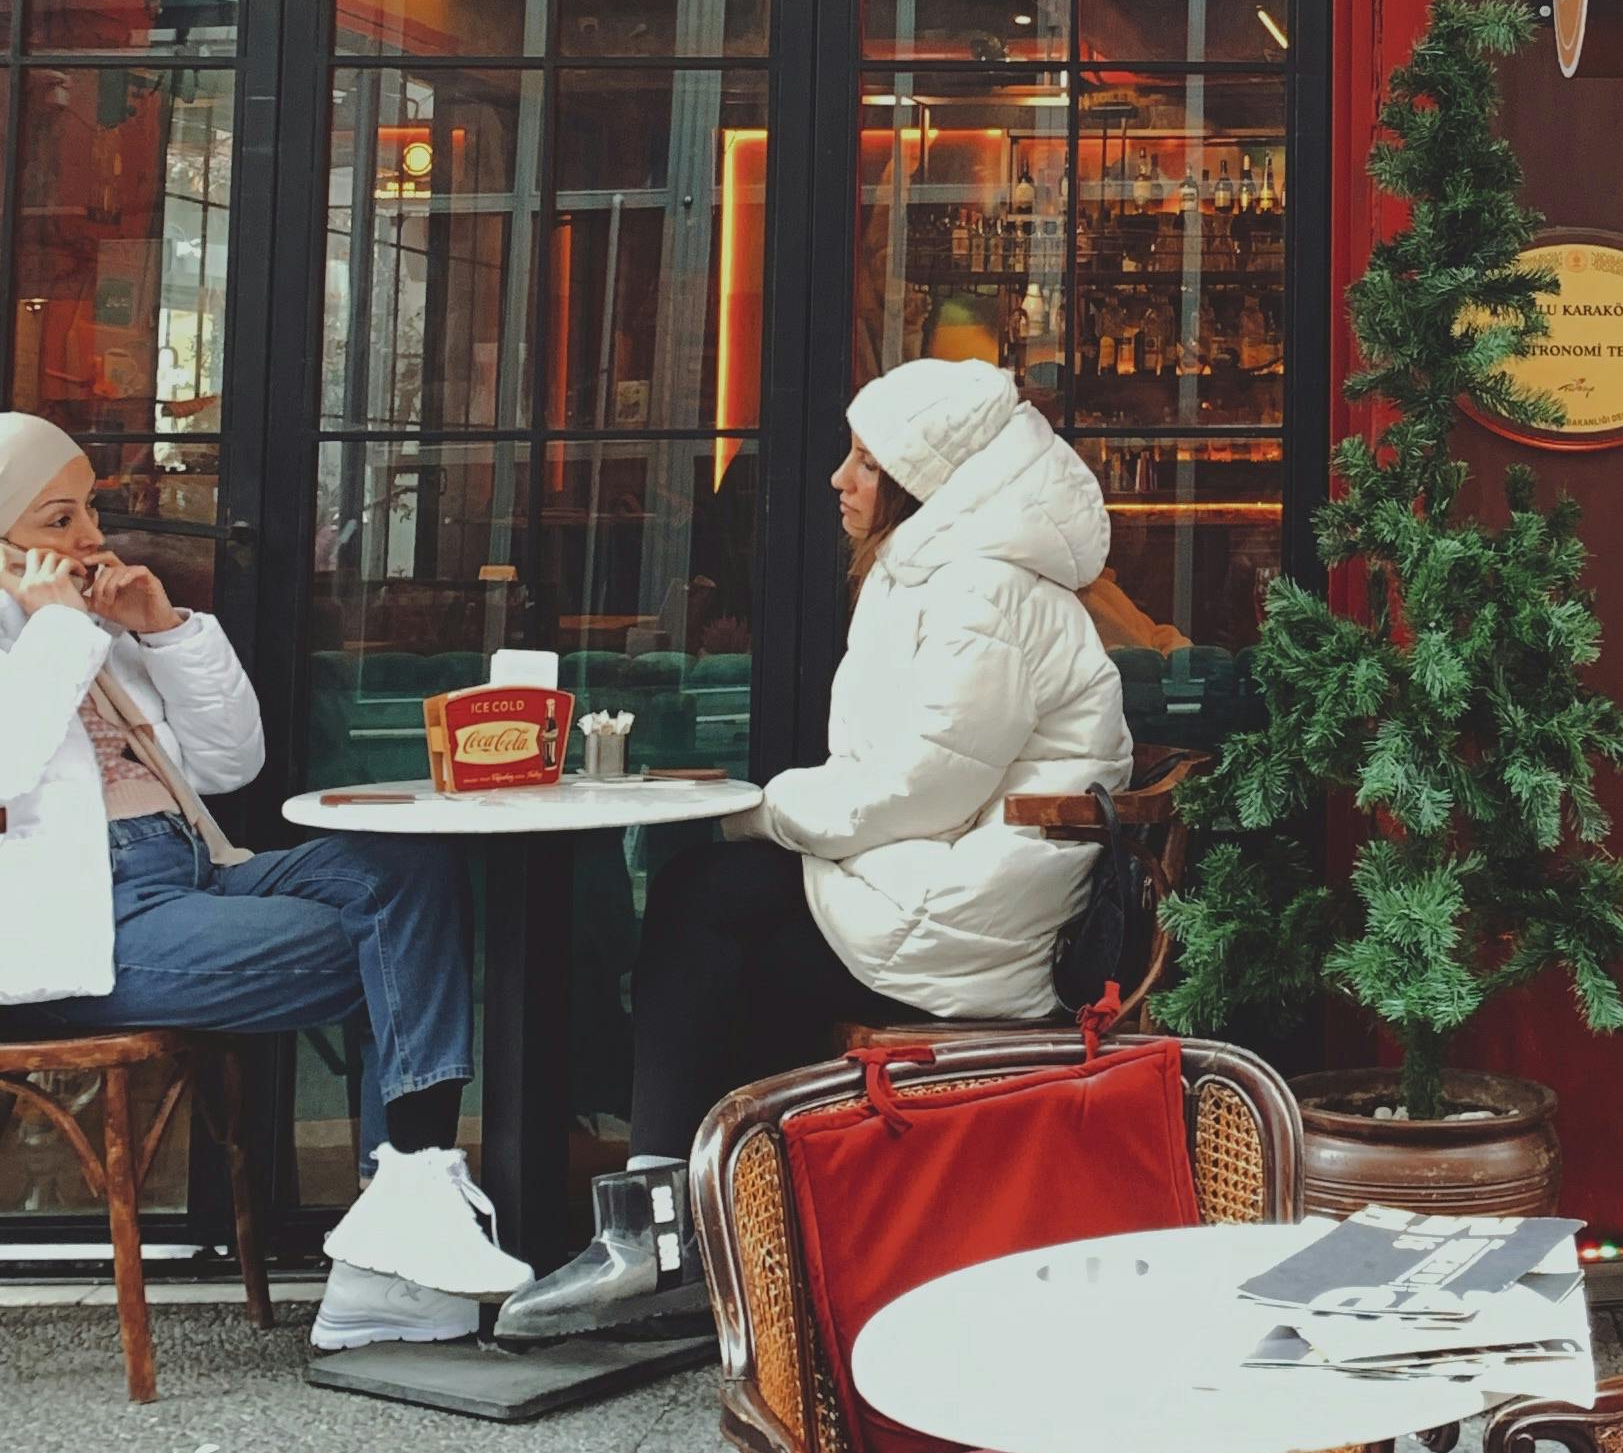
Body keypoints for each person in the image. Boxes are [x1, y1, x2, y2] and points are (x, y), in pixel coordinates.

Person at [499, 360, 1132, 1342]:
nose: (839, 477)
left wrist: (760, 813)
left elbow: (923, 783)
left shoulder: (983, 594)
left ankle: (662, 1238)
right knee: (720, 923)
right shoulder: (945, 577)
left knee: (706, 902)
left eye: (866, 461)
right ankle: (718, 1234)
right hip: (945, 884)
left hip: (972, 913)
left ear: (922, 481)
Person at [0, 412, 530, 1352]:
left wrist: (160, 632)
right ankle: (397, 1235)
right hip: (91, 928)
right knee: (393, 954)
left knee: (405, 861)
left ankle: (404, 1204)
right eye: (58, 520)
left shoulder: (89, 630)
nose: (91, 541)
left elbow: (230, 762)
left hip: (193, 872)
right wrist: (56, 635)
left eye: (90, 514)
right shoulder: (50, 636)